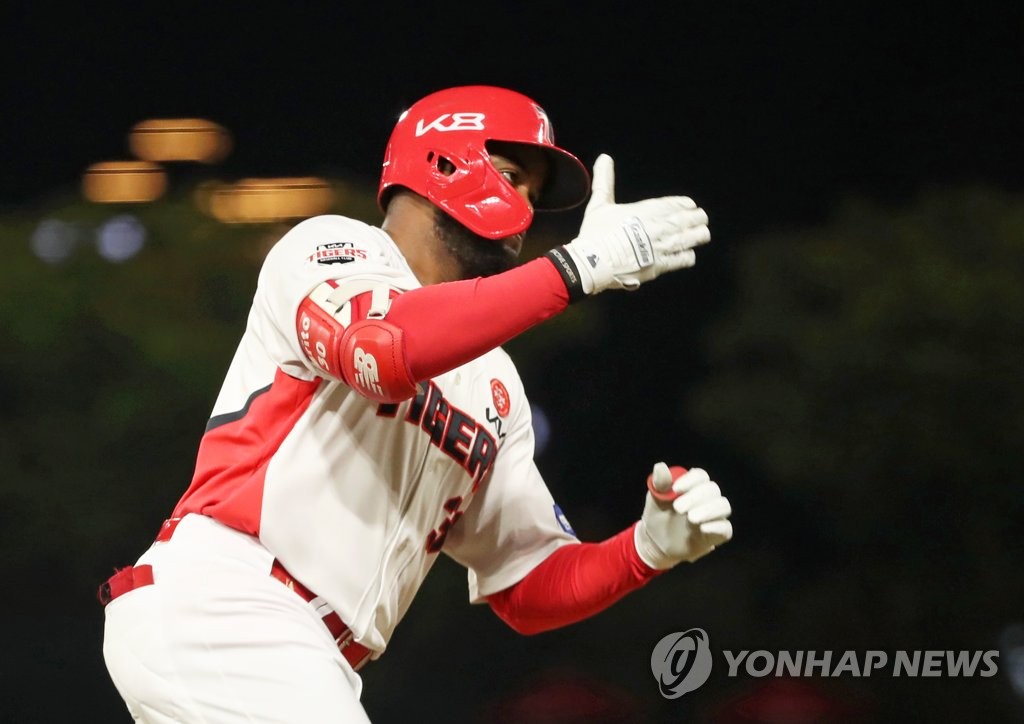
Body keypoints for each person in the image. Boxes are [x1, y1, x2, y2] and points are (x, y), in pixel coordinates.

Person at [98, 84, 734, 723]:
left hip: (307, 652)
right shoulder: (329, 247)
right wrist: (575, 269)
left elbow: (526, 582)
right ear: (444, 162)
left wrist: (645, 549)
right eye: (512, 176)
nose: (525, 208)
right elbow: (382, 349)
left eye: (533, 197)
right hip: (227, 600)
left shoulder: (495, 384)